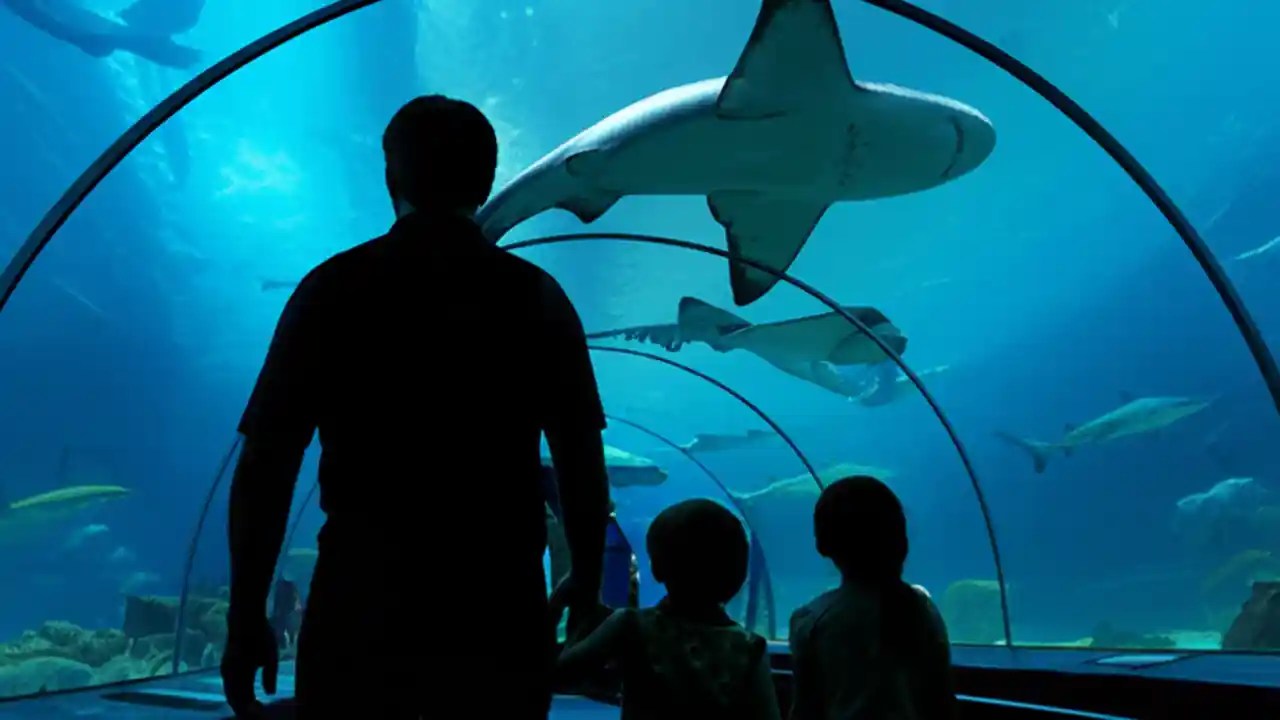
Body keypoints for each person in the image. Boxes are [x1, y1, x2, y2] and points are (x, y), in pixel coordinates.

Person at [220, 95, 612, 720]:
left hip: (362, 605)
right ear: (486, 183)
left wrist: (246, 616)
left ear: (390, 177)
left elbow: (266, 464)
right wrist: (585, 573)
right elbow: (580, 458)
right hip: (497, 612)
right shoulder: (536, 297)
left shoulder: (332, 289)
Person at [556, 498, 782, 720]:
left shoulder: (630, 625)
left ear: (657, 568)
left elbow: (560, 675)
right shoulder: (750, 648)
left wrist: (558, 606)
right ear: (739, 575)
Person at [789, 476, 956, 720]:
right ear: (902, 540)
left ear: (822, 543)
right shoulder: (924, 609)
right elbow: (943, 703)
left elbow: (805, 709)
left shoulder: (811, 620)